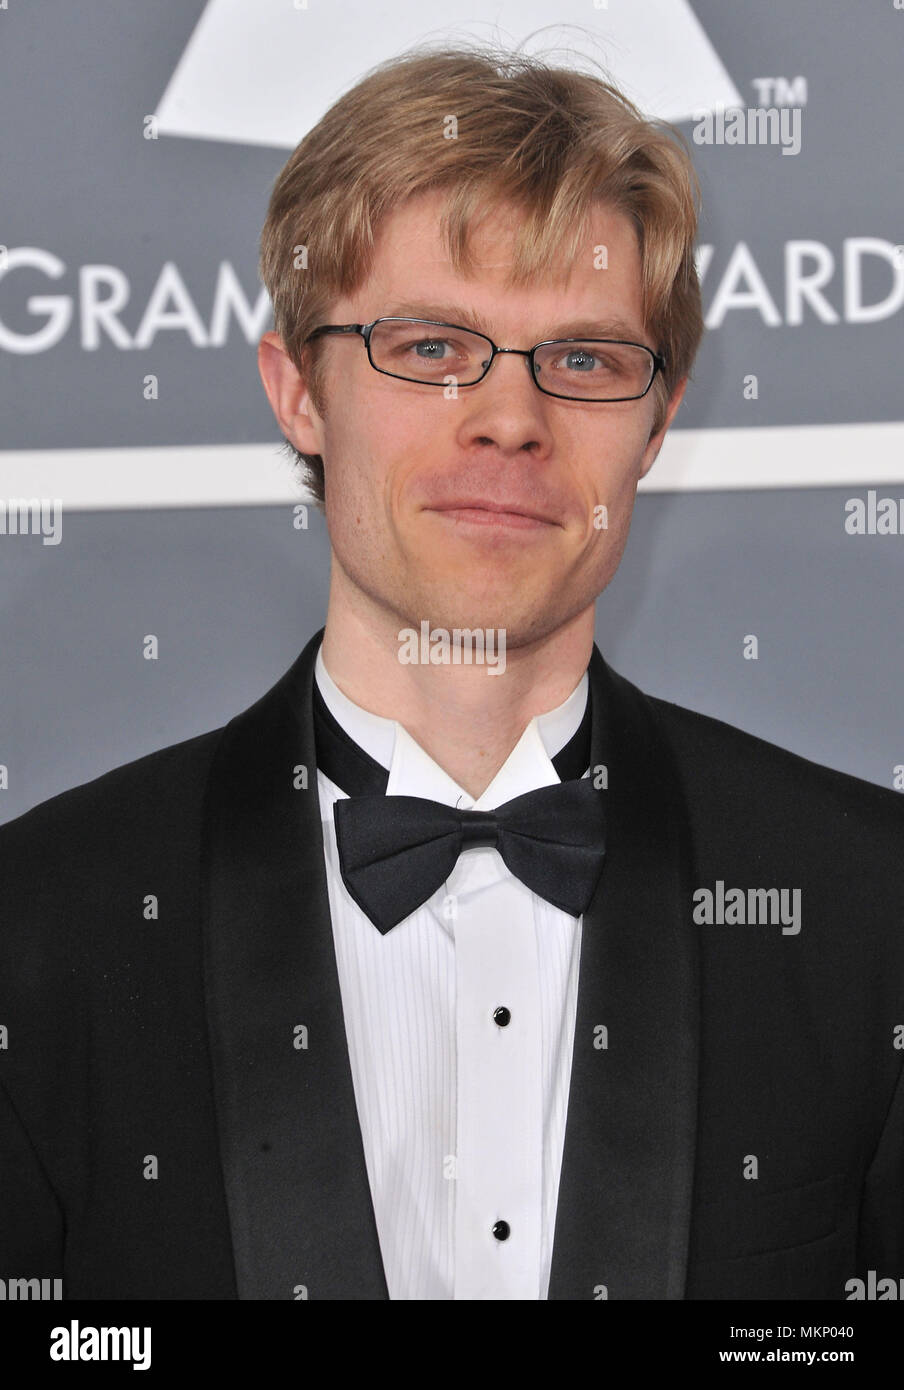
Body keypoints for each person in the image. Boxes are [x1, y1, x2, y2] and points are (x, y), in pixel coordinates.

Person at [1, 44, 902, 1303]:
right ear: (298, 393)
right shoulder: (40, 931)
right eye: (429, 348)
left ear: (658, 420)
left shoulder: (869, 908)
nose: (509, 418)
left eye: (583, 359)